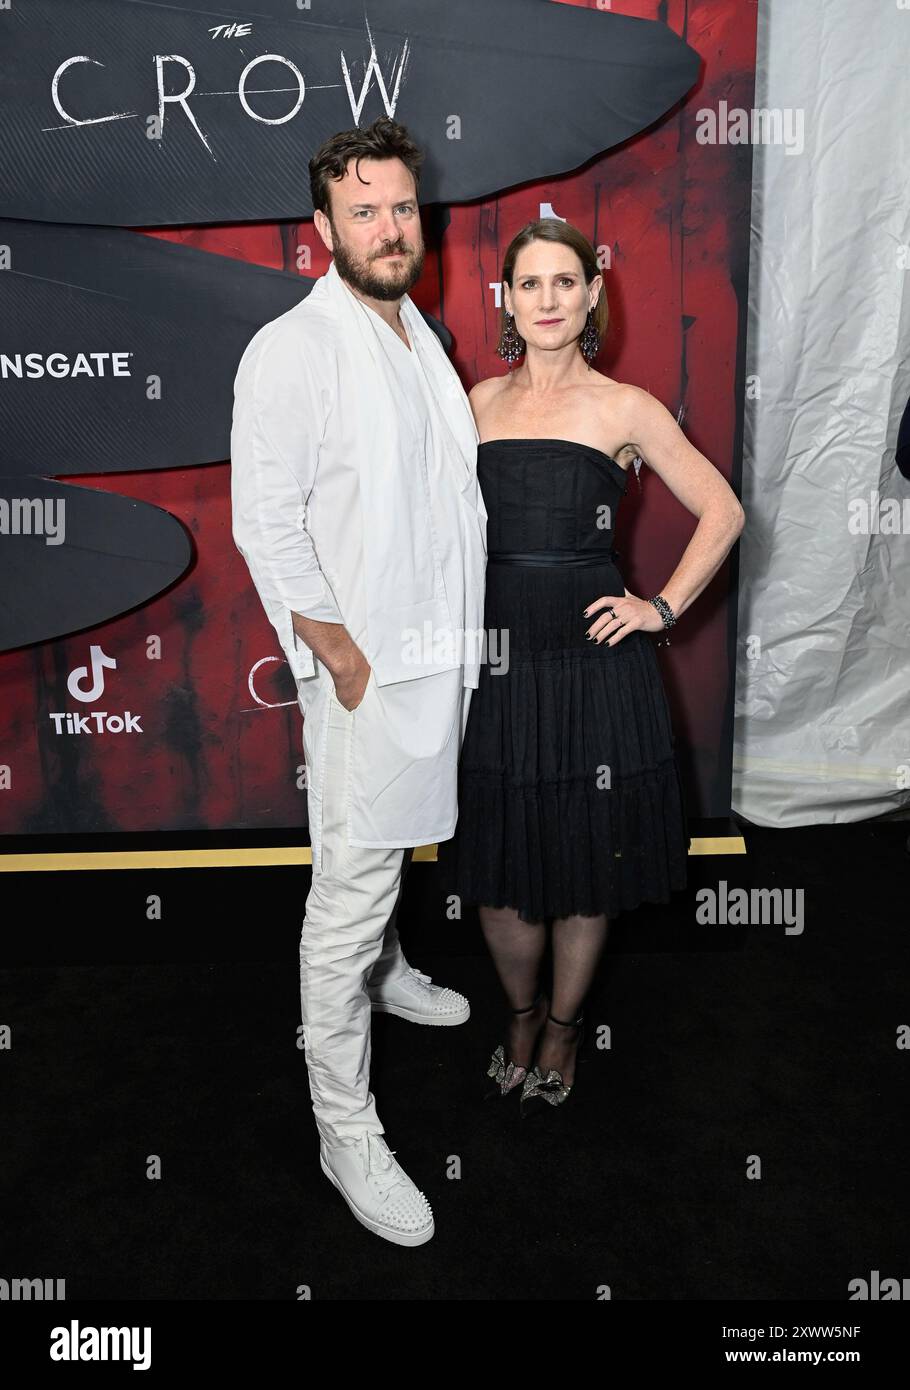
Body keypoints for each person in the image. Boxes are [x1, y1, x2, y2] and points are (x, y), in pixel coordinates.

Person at [230, 117, 487, 1245]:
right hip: (363, 680)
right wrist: (337, 653)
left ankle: (388, 969)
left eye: (402, 207)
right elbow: (265, 524)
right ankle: (346, 1130)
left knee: (388, 859)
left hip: (438, 659)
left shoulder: (419, 332)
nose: (390, 226)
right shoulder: (293, 347)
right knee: (344, 897)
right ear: (321, 227)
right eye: (365, 208)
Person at [452, 218, 745, 1116]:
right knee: (501, 867)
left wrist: (658, 608)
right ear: (506, 299)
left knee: (583, 860)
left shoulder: (625, 406)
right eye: (529, 284)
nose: (547, 300)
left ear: (590, 297)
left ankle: (567, 1029)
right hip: (496, 658)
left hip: (591, 663)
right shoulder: (474, 402)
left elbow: (724, 511)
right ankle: (520, 1013)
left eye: (564, 282)